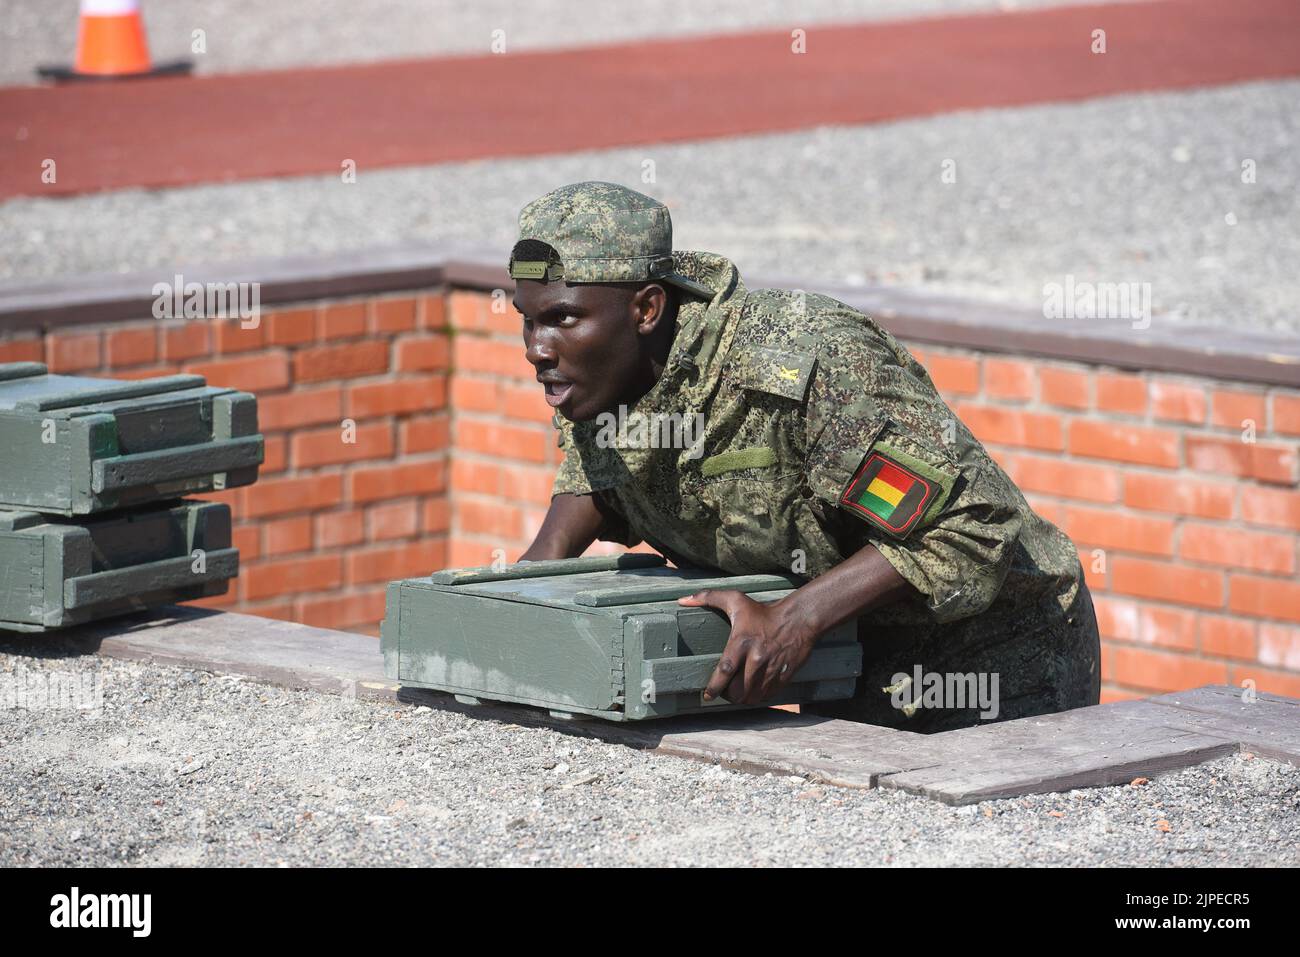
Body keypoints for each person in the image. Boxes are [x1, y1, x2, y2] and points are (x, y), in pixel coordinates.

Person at [513, 181, 1099, 732]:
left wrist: (796, 618)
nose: (538, 349)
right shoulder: (603, 381)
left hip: (995, 652)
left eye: (563, 318)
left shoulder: (808, 364)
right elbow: (596, 481)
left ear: (646, 310)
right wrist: (524, 590)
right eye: (528, 321)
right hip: (851, 651)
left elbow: (967, 527)